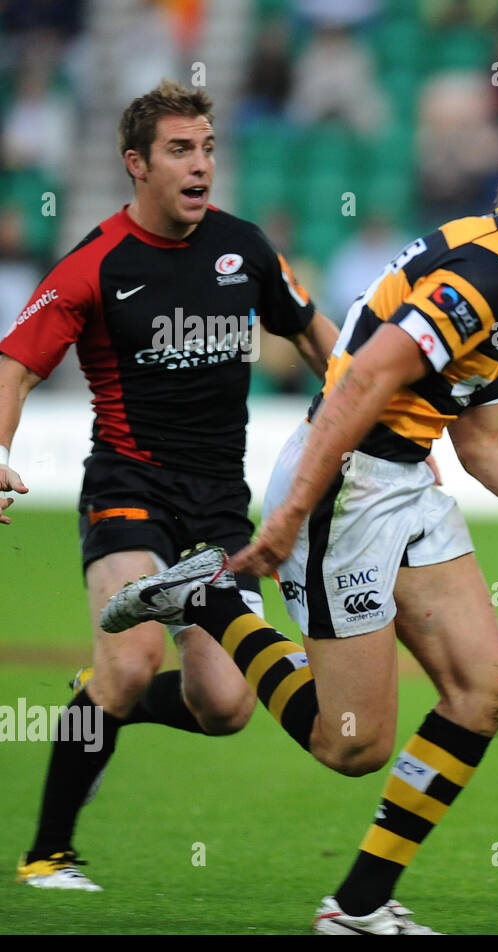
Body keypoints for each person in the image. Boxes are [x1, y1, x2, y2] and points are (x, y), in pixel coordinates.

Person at [100, 114, 498, 933]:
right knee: (351, 746)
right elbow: (361, 385)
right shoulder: (485, 277)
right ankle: (210, 600)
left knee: (483, 692)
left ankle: (355, 908)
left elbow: (482, 439)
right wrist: (288, 516)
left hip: (400, 481)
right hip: (343, 487)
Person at [1, 79, 336, 891]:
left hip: (220, 507)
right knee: (127, 660)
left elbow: (319, 337)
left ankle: (97, 707)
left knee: (225, 707)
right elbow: (12, 370)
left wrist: (370, 423)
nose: (201, 166)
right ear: (136, 165)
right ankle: (48, 854)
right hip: (128, 488)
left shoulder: (244, 248)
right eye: (181, 150)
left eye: (209, 149)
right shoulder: (94, 264)